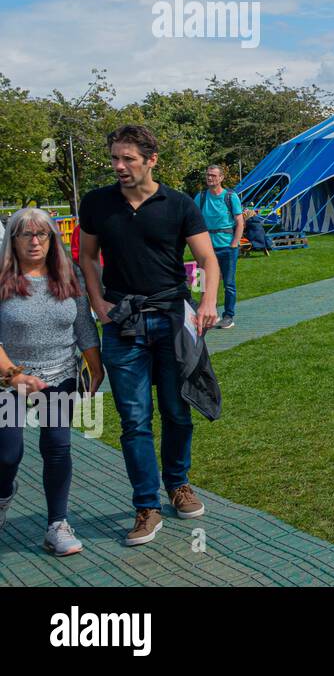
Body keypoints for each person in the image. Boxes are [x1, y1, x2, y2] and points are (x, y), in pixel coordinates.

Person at [77, 124, 221, 546]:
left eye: (128, 159)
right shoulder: (97, 203)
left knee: (178, 411)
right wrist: (98, 302)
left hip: (174, 320)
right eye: (115, 159)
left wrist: (208, 302)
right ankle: (146, 506)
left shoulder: (178, 204)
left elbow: (208, 260)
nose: (119, 166)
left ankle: (177, 484)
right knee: (134, 419)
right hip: (122, 322)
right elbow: (86, 257)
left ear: (151, 160)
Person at [0, 208, 104, 557]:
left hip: (60, 375)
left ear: (52, 238)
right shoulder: (2, 279)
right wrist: (14, 376)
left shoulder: (68, 274)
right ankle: (2, 495)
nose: (34, 241)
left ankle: (57, 524)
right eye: (25, 234)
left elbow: (84, 327)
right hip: (8, 380)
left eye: (41, 234)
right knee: (7, 454)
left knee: (57, 447)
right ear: (11, 239)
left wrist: (96, 367)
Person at [194, 164, 243, 330]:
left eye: (213, 175)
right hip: (206, 248)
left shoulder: (230, 197)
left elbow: (239, 222)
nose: (210, 178)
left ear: (221, 178)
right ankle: (205, 312)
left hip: (227, 247)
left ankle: (228, 316)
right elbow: (193, 221)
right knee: (201, 281)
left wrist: (234, 243)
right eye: (208, 175)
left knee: (228, 282)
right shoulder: (200, 197)